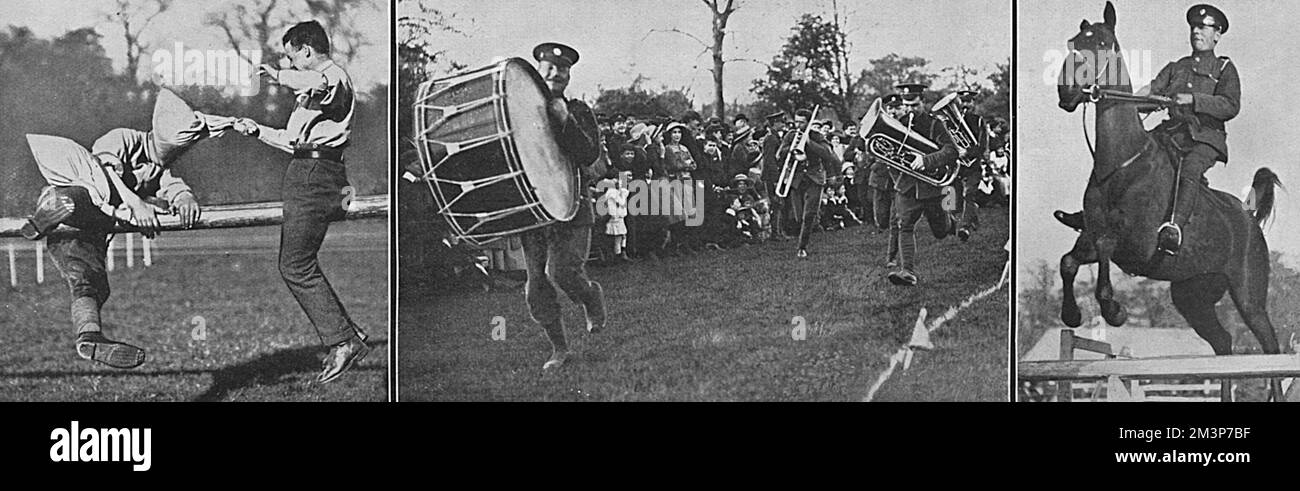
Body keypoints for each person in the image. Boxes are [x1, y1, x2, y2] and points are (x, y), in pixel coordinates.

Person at [21, 89, 238, 369]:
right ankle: (55, 203)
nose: (175, 155)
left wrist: (185, 198)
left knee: (90, 284)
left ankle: (89, 336)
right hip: (79, 200)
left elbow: (173, 186)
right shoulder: (122, 138)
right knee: (90, 191)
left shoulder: (159, 168)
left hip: (83, 232)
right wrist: (135, 204)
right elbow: (102, 171)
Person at [235, 20, 370, 382]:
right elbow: (296, 141)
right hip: (310, 170)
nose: (291, 65)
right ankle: (348, 335)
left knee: (295, 266)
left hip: (314, 178)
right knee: (299, 263)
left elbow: (316, 82)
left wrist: (277, 74)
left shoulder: (331, 78)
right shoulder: (315, 90)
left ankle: (344, 340)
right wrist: (257, 130)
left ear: (307, 51)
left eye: (292, 57)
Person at [1053, 4, 1238, 256]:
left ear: (1217, 35)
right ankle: (1094, 214)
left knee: (1190, 169)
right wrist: (1109, 96)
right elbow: (1147, 94)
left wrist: (1194, 100)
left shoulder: (1224, 69)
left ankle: (1174, 227)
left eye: (1203, 27)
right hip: (1170, 135)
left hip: (1204, 139)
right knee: (1124, 154)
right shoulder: (1176, 67)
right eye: (1193, 26)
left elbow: (1230, 105)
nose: (1196, 31)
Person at [510, 41, 606, 369]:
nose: (556, 73)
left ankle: (591, 296)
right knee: (535, 284)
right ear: (537, 71)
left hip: (572, 206)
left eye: (563, 69)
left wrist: (565, 120)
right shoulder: (518, 109)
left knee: (563, 272)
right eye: (549, 68)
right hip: (533, 209)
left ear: (569, 75)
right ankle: (559, 349)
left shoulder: (578, 110)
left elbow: (589, 154)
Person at [888, 82, 962, 286]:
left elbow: (951, 151)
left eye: (914, 105)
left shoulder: (934, 124)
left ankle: (950, 221)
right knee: (905, 225)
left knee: (940, 231)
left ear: (923, 102)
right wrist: (898, 180)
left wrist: (926, 161)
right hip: (907, 186)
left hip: (931, 186)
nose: (910, 110)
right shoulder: (899, 123)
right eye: (907, 105)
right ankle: (907, 272)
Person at [777, 108, 843, 258]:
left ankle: (802, 246)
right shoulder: (790, 135)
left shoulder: (817, 136)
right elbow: (780, 153)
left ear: (808, 123)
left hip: (814, 177)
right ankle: (802, 238)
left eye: (801, 122)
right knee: (799, 216)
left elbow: (827, 154)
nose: (797, 125)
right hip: (797, 178)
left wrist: (808, 142)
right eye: (796, 121)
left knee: (809, 214)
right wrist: (792, 148)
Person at [868, 93, 906, 265]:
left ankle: (891, 257)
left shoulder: (909, 127)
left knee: (895, 221)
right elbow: (868, 148)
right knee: (881, 220)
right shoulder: (879, 127)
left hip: (899, 180)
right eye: (890, 107)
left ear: (903, 108)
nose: (893, 111)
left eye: (898, 107)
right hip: (880, 179)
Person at [952, 89, 989, 242]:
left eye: (969, 101)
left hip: (973, 164)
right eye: (963, 101)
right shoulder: (952, 121)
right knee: (951, 194)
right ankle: (965, 218)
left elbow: (982, 145)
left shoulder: (979, 120)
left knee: (969, 194)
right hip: (957, 164)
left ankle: (965, 227)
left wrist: (967, 152)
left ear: (973, 103)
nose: (965, 105)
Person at [760, 111, 791, 241]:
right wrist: (776, 178)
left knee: (779, 204)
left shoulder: (774, 137)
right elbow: (769, 161)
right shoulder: (771, 139)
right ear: (774, 123)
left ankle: (778, 231)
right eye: (780, 122)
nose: (783, 124)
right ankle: (775, 233)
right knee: (776, 204)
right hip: (771, 176)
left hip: (775, 175)